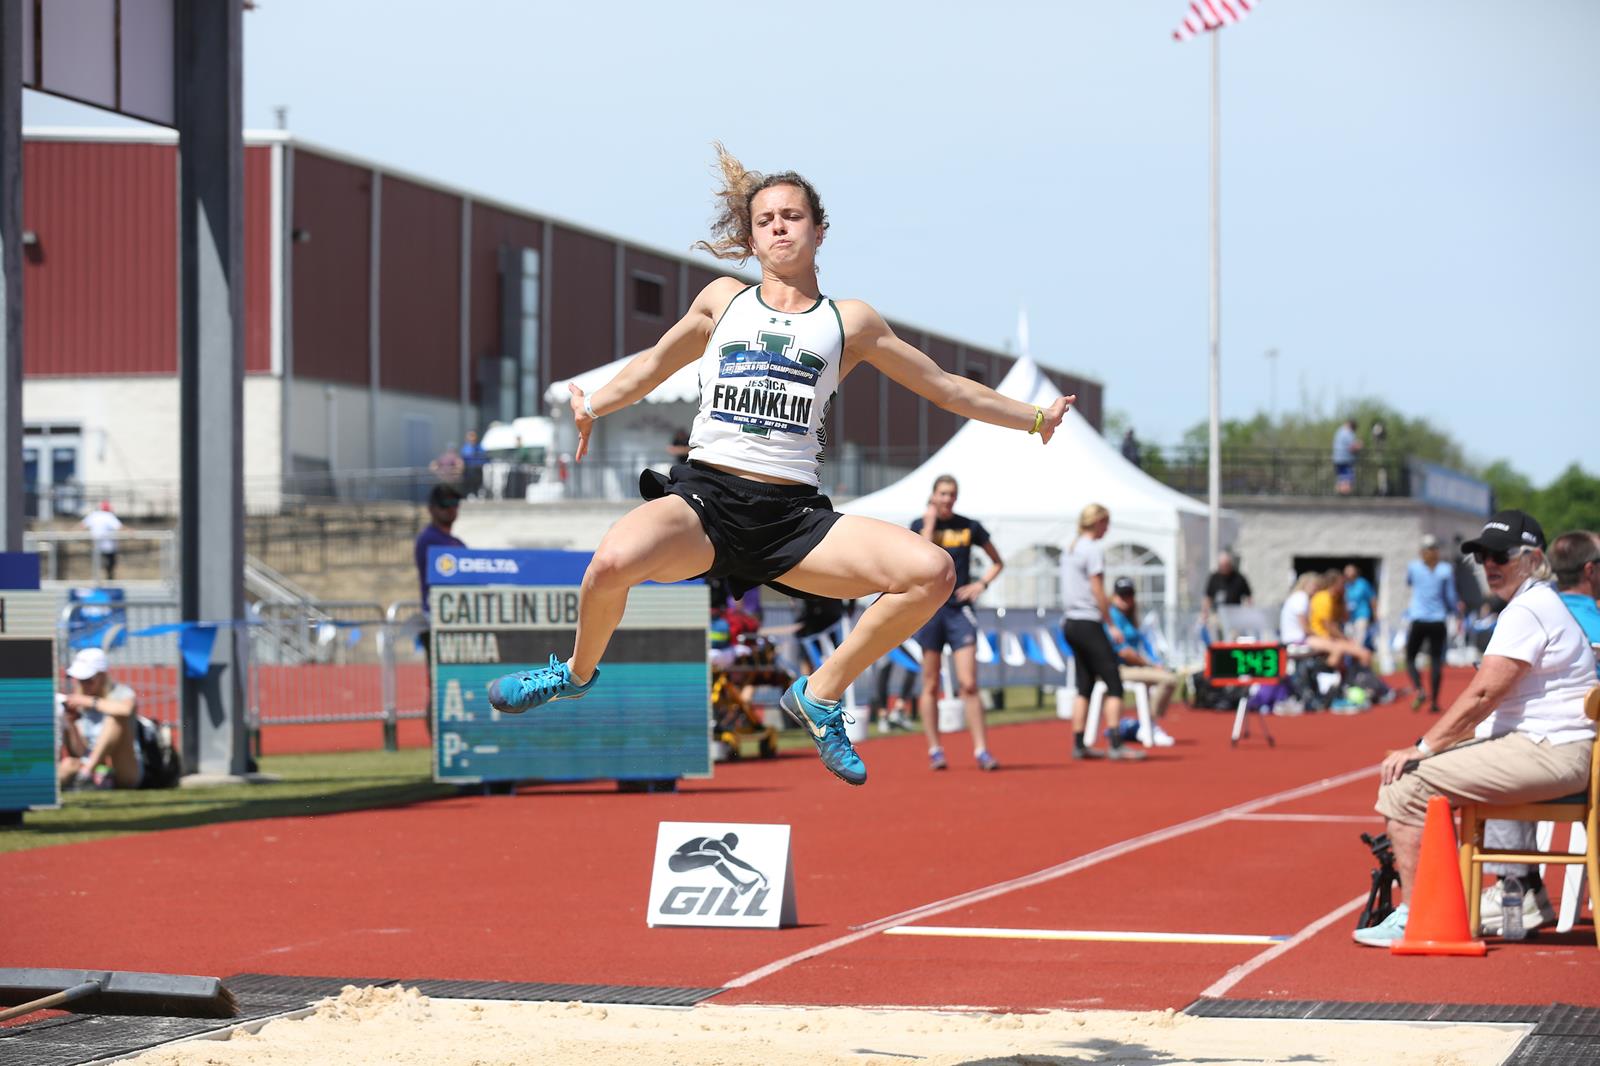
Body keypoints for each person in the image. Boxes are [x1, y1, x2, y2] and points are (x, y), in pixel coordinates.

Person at [482, 145, 1073, 788]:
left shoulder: (850, 322)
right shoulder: (722, 301)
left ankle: (820, 695)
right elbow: (657, 363)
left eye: (792, 216)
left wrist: (1034, 418)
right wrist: (593, 404)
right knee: (611, 563)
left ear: (820, 231)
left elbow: (945, 388)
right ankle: (574, 674)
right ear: (751, 236)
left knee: (932, 571)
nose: (779, 227)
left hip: (793, 517)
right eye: (765, 219)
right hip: (706, 503)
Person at [1354, 510, 1596, 947]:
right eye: (1482, 555)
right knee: (1445, 762)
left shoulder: (1528, 609)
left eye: (1500, 554)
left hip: (1550, 752)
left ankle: (1417, 916)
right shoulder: (1536, 603)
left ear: (1533, 557)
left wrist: (1424, 748)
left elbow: (1484, 696)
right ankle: (1520, 891)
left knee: (1405, 785)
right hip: (1556, 748)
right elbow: (1491, 702)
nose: (1489, 564)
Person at [911, 475, 1003, 772]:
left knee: (969, 683)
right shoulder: (920, 526)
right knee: (930, 682)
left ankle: (981, 750)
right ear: (933, 496)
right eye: (942, 494)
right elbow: (916, 559)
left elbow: (997, 561)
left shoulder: (969, 526)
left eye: (951, 494)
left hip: (959, 610)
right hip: (930, 611)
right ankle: (935, 749)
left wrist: (981, 585)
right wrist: (929, 523)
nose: (947, 499)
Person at [1059, 504, 1144, 761]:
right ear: (1097, 522)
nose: (1107, 528)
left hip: (1070, 622)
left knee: (1084, 684)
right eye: (1105, 523)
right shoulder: (1093, 549)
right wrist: (1110, 623)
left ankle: (1078, 742)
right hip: (1088, 621)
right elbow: (1097, 589)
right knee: (1114, 683)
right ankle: (1116, 743)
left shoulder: (1070, 548)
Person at [414, 484, 466, 733]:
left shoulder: (456, 541)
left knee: (455, 685)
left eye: (455, 503)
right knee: (439, 686)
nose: (451, 509)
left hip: (458, 623)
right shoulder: (429, 540)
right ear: (432, 509)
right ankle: (438, 748)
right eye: (445, 504)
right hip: (436, 622)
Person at [1105, 577, 1178, 746]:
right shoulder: (1112, 617)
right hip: (1118, 668)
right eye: (1121, 595)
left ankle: (1148, 723)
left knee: (1165, 677)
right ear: (1114, 596)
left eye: (1129, 594)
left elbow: (1145, 643)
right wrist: (1150, 665)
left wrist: (1156, 662)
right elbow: (1125, 652)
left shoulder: (1131, 618)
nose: (1125, 599)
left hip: (1134, 666)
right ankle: (1148, 725)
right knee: (1169, 680)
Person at [57, 647, 142, 789]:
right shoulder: (79, 702)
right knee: (67, 765)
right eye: (81, 680)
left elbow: (126, 709)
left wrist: (89, 701)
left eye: (88, 680)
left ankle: (86, 775)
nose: (83, 685)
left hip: (122, 767)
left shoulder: (122, 693)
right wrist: (71, 724)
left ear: (102, 676)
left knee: (116, 718)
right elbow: (80, 752)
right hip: (93, 763)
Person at [1405, 533, 1463, 713]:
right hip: (1438, 620)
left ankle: (1419, 688)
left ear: (1421, 551)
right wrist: (1456, 611)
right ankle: (1435, 702)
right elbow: (1451, 596)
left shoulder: (1414, 567)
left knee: (1410, 657)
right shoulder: (1445, 569)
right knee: (1436, 660)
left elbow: (1408, 582)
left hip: (1419, 618)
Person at [1308, 568, 1372, 669]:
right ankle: (1326, 676)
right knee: (1363, 654)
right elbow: (1329, 626)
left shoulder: (1336, 599)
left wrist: (1343, 600)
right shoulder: (1323, 598)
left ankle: (1353, 677)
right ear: (1334, 584)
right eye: (1342, 583)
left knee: (1359, 652)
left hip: (1331, 638)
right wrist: (1345, 640)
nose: (1345, 586)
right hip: (1322, 637)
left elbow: (1346, 618)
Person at [1199, 551, 1252, 633]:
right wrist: (1205, 614)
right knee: (1211, 629)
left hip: (1235, 615)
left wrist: (1247, 613)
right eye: (1221, 566)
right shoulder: (1214, 578)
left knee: (1234, 636)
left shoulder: (1239, 578)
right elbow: (1208, 598)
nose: (1224, 568)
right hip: (1217, 614)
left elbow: (1248, 597)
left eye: (1226, 565)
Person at [81, 501, 123, 582]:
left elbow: (82, 526)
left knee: (97, 564)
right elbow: (119, 527)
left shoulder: (93, 515)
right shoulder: (109, 515)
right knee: (109, 565)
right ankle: (108, 580)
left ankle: (97, 580)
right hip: (109, 546)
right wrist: (131, 532)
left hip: (97, 545)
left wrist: (69, 531)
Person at [1343, 564, 1377, 650]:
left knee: (1360, 638)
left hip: (1362, 613)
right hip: (1349, 616)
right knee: (1349, 636)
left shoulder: (1363, 583)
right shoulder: (1344, 585)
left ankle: (1358, 657)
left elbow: (1372, 598)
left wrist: (1375, 613)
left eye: (1351, 571)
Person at [1331, 418, 1361, 495]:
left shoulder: (1339, 431)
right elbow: (1353, 447)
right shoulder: (1347, 433)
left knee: (1341, 479)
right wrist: (1359, 445)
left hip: (1337, 459)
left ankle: (1338, 497)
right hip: (1345, 460)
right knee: (1347, 481)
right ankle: (1344, 498)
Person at [459, 429, 487, 498]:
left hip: (478, 468)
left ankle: (478, 493)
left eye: (473, 436)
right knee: (470, 482)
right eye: (470, 436)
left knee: (478, 482)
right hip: (469, 469)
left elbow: (483, 456)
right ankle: (470, 493)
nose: (472, 438)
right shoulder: (466, 447)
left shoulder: (479, 447)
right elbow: (464, 457)